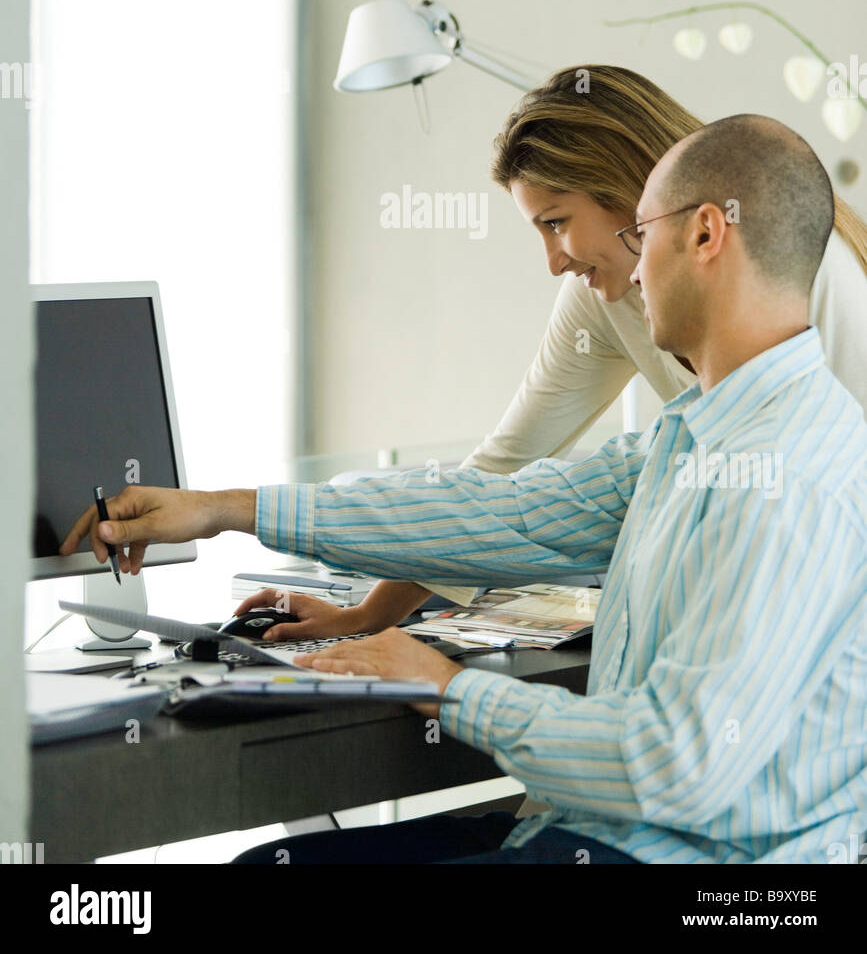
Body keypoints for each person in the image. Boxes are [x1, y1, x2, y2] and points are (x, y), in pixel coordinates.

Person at [61, 115, 867, 865]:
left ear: (703, 234)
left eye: (639, 233)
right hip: (603, 833)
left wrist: (448, 688)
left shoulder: (785, 479)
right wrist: (228, 510)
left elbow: (679, 765)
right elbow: (504, 512)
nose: (624, 262)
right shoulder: (695, 435)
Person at [240, 66, 867, 643]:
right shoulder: (605, 293)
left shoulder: (795, 276)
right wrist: (370, 617)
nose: (554, 261)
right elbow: (507, 472)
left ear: (624, 187)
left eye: (556, 222)